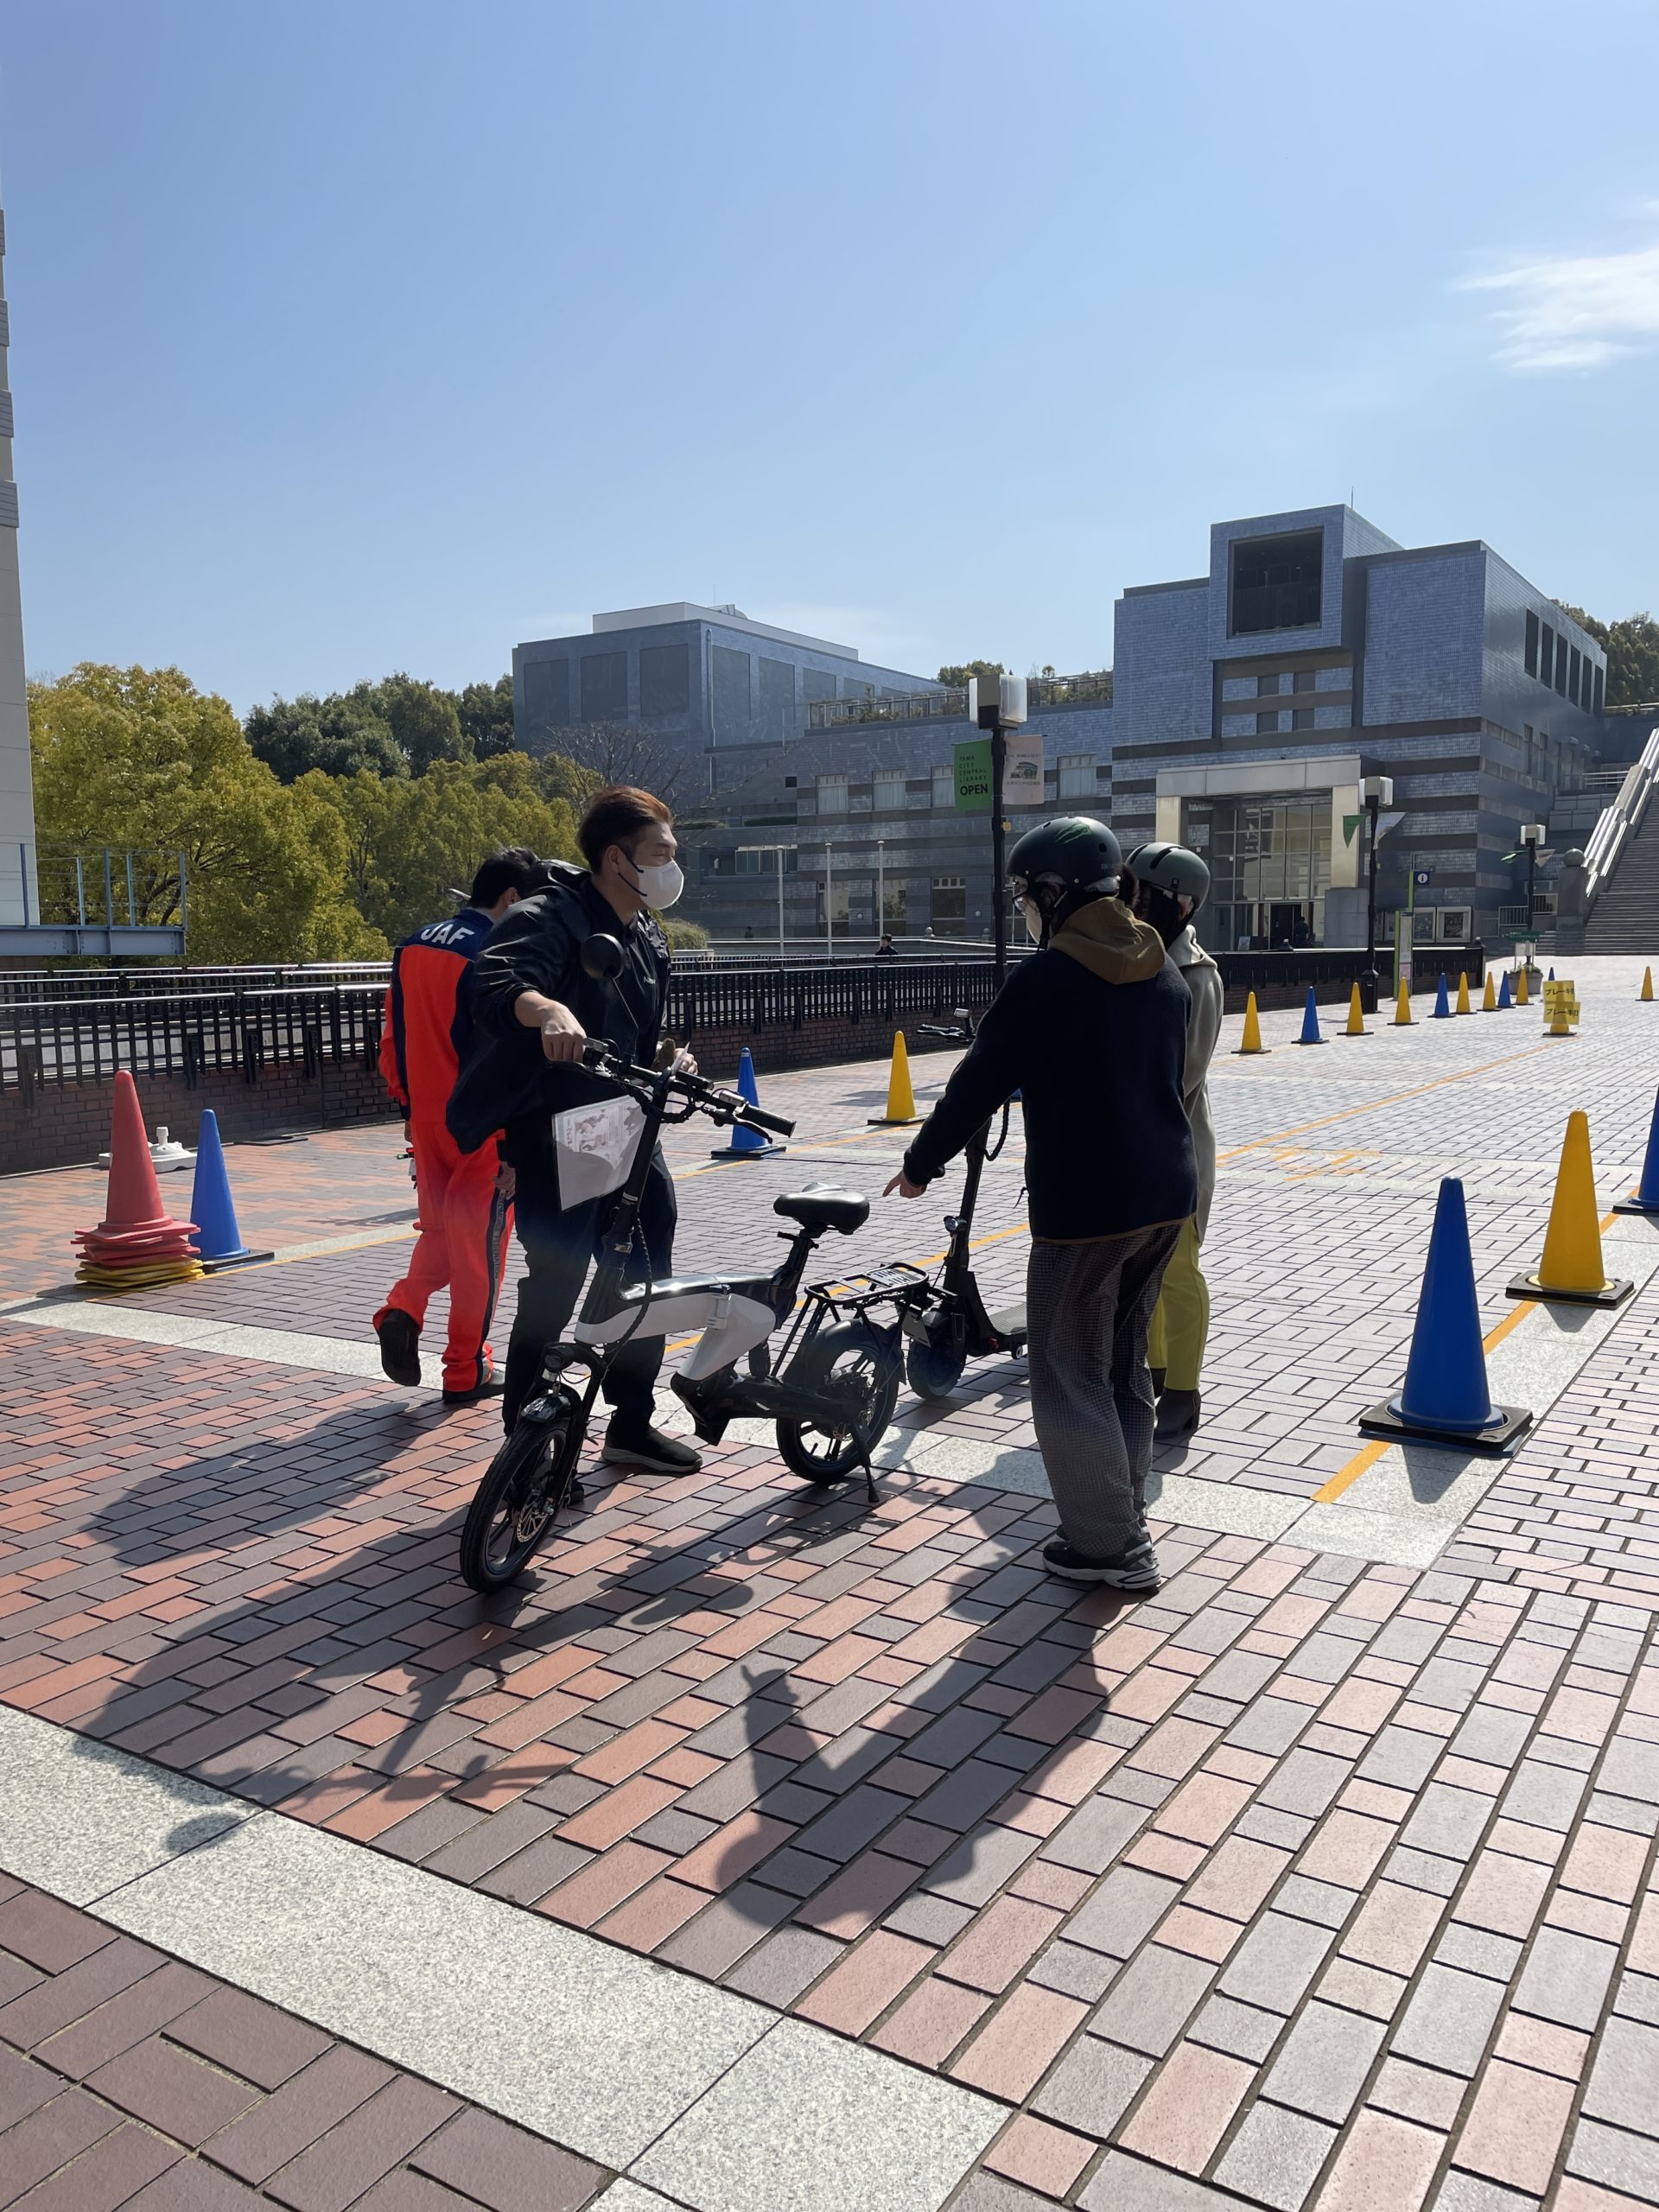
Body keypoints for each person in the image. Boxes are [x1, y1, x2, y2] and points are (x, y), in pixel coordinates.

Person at [886, 817, 1195, 1589]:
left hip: (1089, 1207)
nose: (1025, 909)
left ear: (1055, 894)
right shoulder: (1163, 969)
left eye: (1027, 895)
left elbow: (977, 1082)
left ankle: (1108, 1548)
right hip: (1165, 1195)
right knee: (1122, 1362)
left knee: (1067, 1372)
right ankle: (1122, 1514)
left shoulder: (1048, 978)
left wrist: (920, 1163)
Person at [448, 786, 702, 1473]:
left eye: (673, 855)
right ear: (616, 857)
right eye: (660, 855)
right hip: (557, 1129)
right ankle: (526, 1439)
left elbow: (637, 1030)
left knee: (651, 1272)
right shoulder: (548, 915)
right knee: (555, 1280)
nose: (670, 868)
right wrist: (548, 1011)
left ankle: (630, 1420)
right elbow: (495, 985)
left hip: (625, 1124)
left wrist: (666, 1060)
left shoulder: (646, 930)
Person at [372, 848, 542, 1406]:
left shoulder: (415, 944)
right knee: (481, 1254)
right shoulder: (496, 954)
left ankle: (403, 1309)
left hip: (426, 1117)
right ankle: (465, 1367)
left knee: (446, 1233)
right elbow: (504, 1053)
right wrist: (516, 1140)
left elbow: (392, 1034)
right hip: (481, 1126)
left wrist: (404, 1106)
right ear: (512, 899)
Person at [1125, 844, 1222, 1442]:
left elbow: (1184, 1072)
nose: (1129, 901)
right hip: (1128, 1143)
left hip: (1173, 1144)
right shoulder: (1131, 954)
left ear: (1179, 903)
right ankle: (1154, 1372)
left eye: (1142, 893)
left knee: (1178, 1270)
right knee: (1142, 1272)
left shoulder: (1196, 972)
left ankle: (1184, 1387)